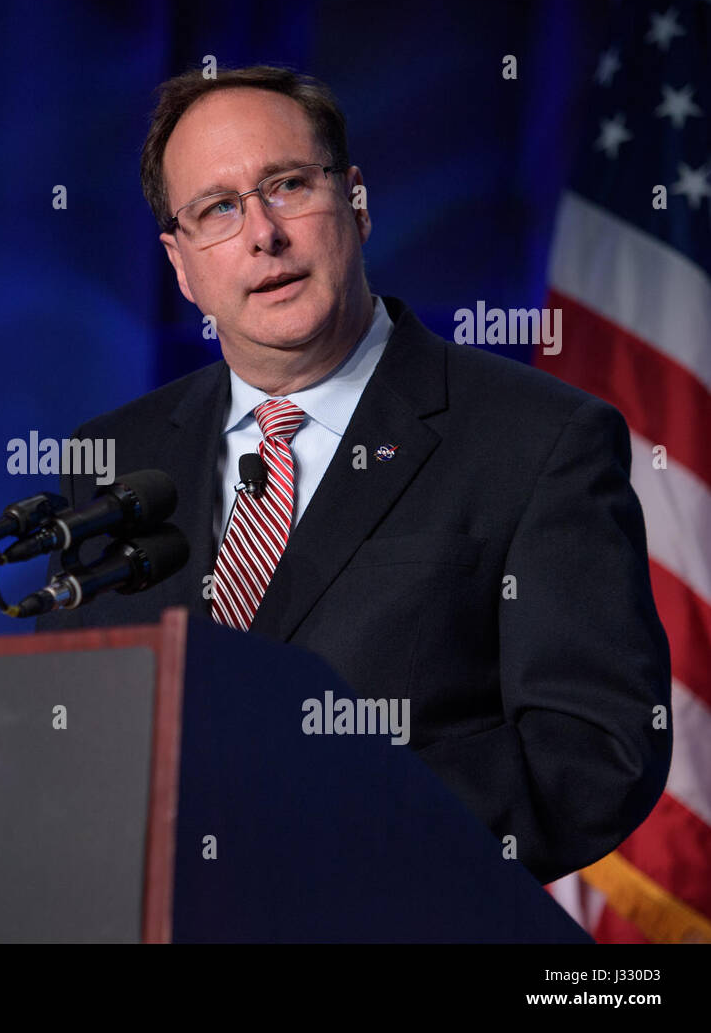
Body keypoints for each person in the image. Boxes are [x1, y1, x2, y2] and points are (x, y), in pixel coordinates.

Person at [33, 64, 671, 886]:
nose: (262, 233)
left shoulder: (537, 440)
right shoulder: (113, 461)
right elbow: (68, 737)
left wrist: (333, 824)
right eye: (218, 210)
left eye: (288, 185)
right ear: (182, 264)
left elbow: (594, 753)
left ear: (356, 202)